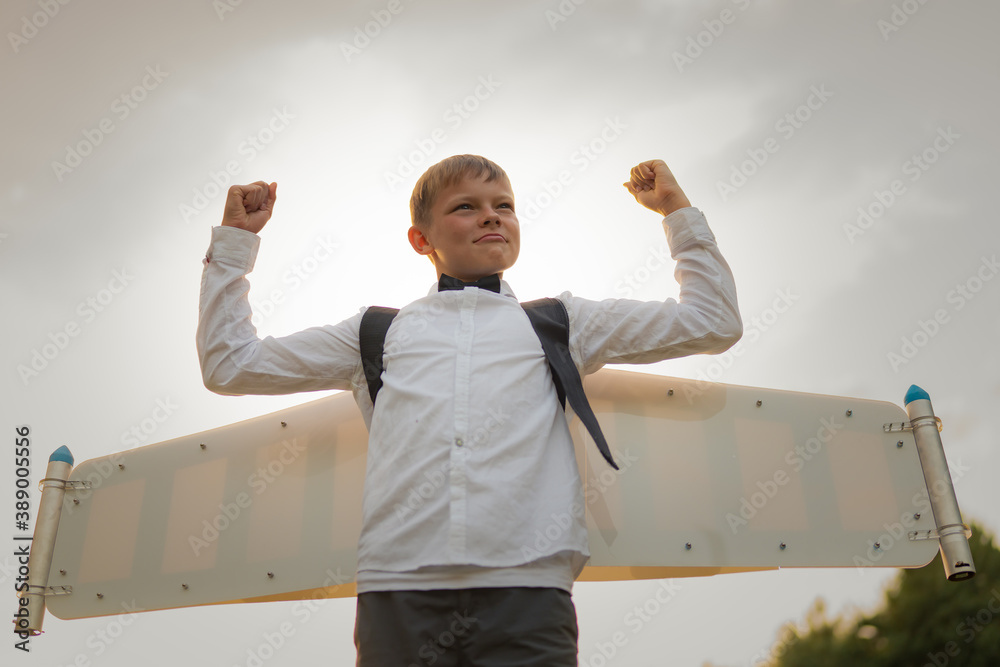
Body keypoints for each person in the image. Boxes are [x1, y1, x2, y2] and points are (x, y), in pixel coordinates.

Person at [197, 155, 742, 666]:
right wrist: (235, 246)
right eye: (466, 207)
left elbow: (714, 321)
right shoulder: (373, 333)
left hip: (529, 589)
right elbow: (230, 365)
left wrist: (677, 213)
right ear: (421, 239)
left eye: (504, 206)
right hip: (397, 589)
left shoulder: (560, 322)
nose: (492, 217)